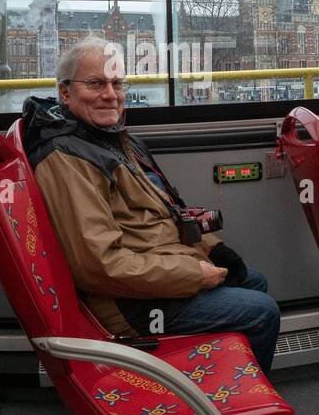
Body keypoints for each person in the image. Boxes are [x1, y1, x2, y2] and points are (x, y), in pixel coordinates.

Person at [22, 36, 281, 373]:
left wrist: (211, 247)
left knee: (253, 281)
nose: (110, 95)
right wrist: (194, 274)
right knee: (262, 312)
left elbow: (159, 213)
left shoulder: (109, 139)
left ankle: (218, 379)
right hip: (129, 303)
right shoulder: (67, 158)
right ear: (65, 92)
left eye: (117, 83)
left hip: (153, 267)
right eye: (95, 84)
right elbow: (99, 267)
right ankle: (233, 406)